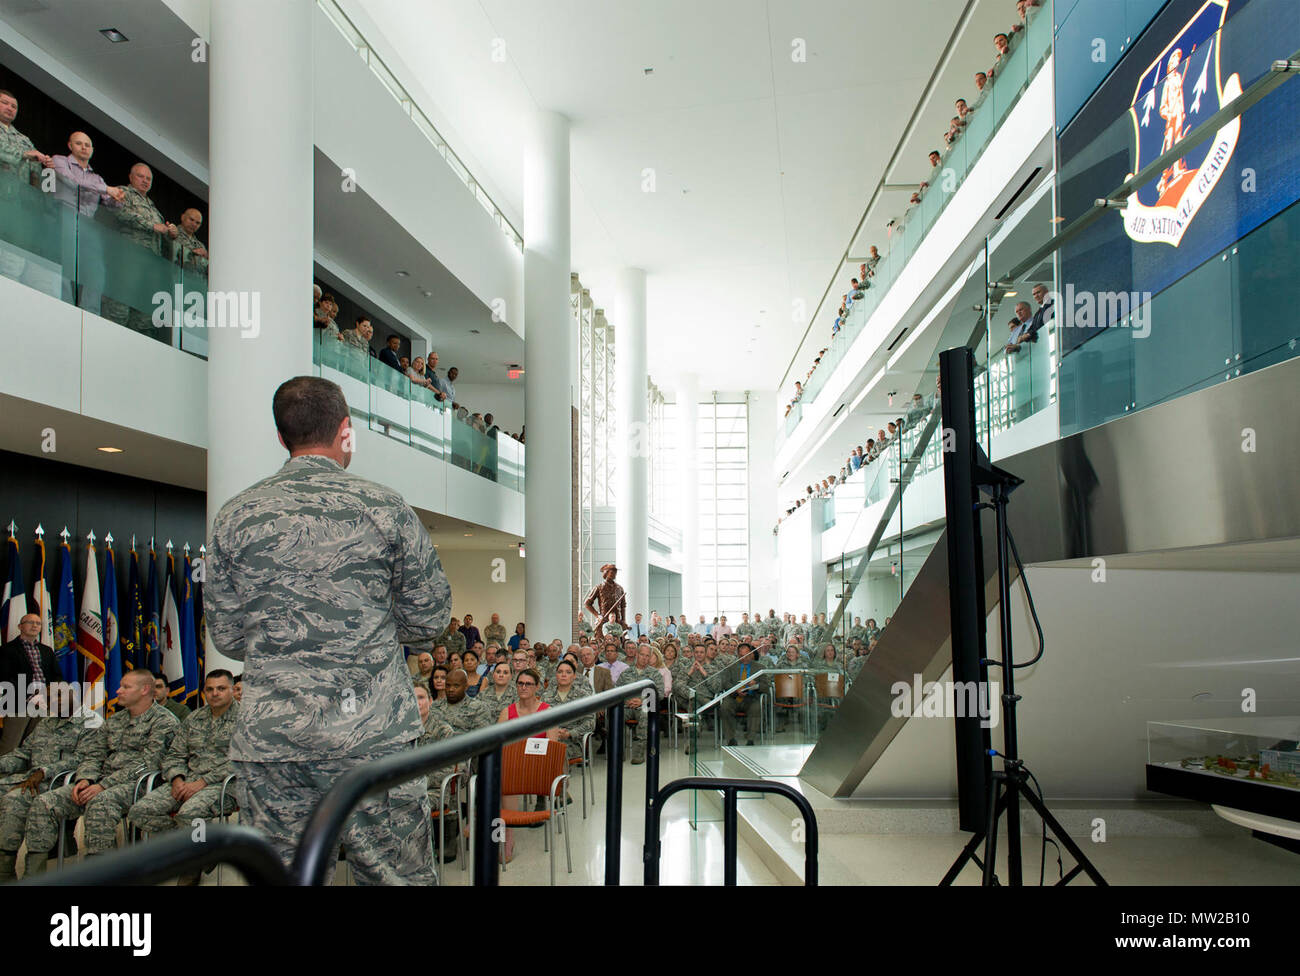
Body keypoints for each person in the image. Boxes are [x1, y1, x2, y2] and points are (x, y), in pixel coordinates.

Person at [206, 375, 450, 885]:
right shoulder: (385, 507)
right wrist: (377, 628)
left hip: (276, 742)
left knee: (283, 880)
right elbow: (430, 618)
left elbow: (228, 638)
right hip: (373, 738)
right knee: (394, 879)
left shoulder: (235, 516)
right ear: (345, 430)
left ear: (281, 437)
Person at [23, 669, 177, 875]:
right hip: (100, 783)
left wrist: (103, 785)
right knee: (44, 803)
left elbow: (148, 763)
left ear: (144, 690)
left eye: (125, 687)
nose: (118, 690)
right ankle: (34, 876)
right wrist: (86, 778)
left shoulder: (164, 721)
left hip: (140, 784)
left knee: (101, 802)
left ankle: (101, 873)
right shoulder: (114, 721)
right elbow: (94, 754)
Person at [127, 670, 239, 884]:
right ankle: (202, 848)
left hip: (224, 784)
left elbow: (240, 762)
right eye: (210, 689)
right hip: (186, 780)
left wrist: (202, 782)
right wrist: (177, 779)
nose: (215, 693)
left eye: (221, 688)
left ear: (232, 690)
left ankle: (191, 866)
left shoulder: (246, 720)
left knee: (190, 814)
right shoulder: (194, 718)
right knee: (139, 811)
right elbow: (174, 755)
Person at [0, 683, 93, 881]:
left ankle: (25, 875)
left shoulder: (91, 722)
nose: (54, 701)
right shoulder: (46, 723)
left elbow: (84, 759)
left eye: (59, 696)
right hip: (31, 780)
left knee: (14, 801)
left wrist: (44, 771)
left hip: (62, 783)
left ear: (73, 695)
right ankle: (4, 868)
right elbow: (23, 754)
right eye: (49, 698)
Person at [0, 613, 62, 755]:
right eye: (30, 622)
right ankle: (3, 776)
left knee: (35, 745)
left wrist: (50, 695)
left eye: (38, 623)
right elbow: (4, 678)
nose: (34, 625)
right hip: (18, 703)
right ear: (20, 627)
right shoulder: (7, 650)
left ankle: (25, 776)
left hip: (44, 703)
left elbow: (57, 676)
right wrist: (30, 695)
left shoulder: (47, 651)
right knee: (11, 745)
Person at [613, 645, 664, 765]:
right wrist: (625, 701)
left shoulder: (654, 674)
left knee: (645, 714)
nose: (644, 658)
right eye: (642, 655)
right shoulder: (626, 673)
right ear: (637, 655)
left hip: (645, 706)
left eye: (647, 656)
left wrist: (642, 701)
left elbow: (660, 694)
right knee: (614, 715)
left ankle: (639, 753)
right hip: (627, 706)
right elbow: (617, 691)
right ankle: (618, 752)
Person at [541, 660, 593, 763]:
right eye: (560, 672)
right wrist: (552, 733)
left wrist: (569, 733)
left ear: (574, 676)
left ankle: (560, 779)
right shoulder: (546, 696)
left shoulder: (583, 697)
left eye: (568, 672)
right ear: (556, 675)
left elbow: (590, 722)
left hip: (572, 742)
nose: (563, 675)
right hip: (548, 739)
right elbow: (539, 720)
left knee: (556, 753)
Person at [718, 642, 766, 747]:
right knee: (724, 707)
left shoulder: (759, 668)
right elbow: (725, 683)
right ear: (738, 655)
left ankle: (750, 739)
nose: (745, 658)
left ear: (751, 654)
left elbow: (766, 686)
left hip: (751, 697)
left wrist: (756, 685)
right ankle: (730, 738)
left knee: (756, 707)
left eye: (747, 655)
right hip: (734, 697)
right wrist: (735, 690)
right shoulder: (731, 667)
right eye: (742, 655)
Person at [0, 89, 42, 187]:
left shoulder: (24, 139)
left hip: (17, 195)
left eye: (14, 107)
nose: (10, 108)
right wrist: (24, 154)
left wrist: (43, 161)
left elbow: (35, 171)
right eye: (5, 103)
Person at [172, 207, 209, 273]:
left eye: (198, 223)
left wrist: (207, 257)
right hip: (176, 277)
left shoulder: (201, 246)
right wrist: (192, 252)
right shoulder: (172, 233)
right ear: (183, 217)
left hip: (195, 280)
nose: (194, 224)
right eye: (191, 220)